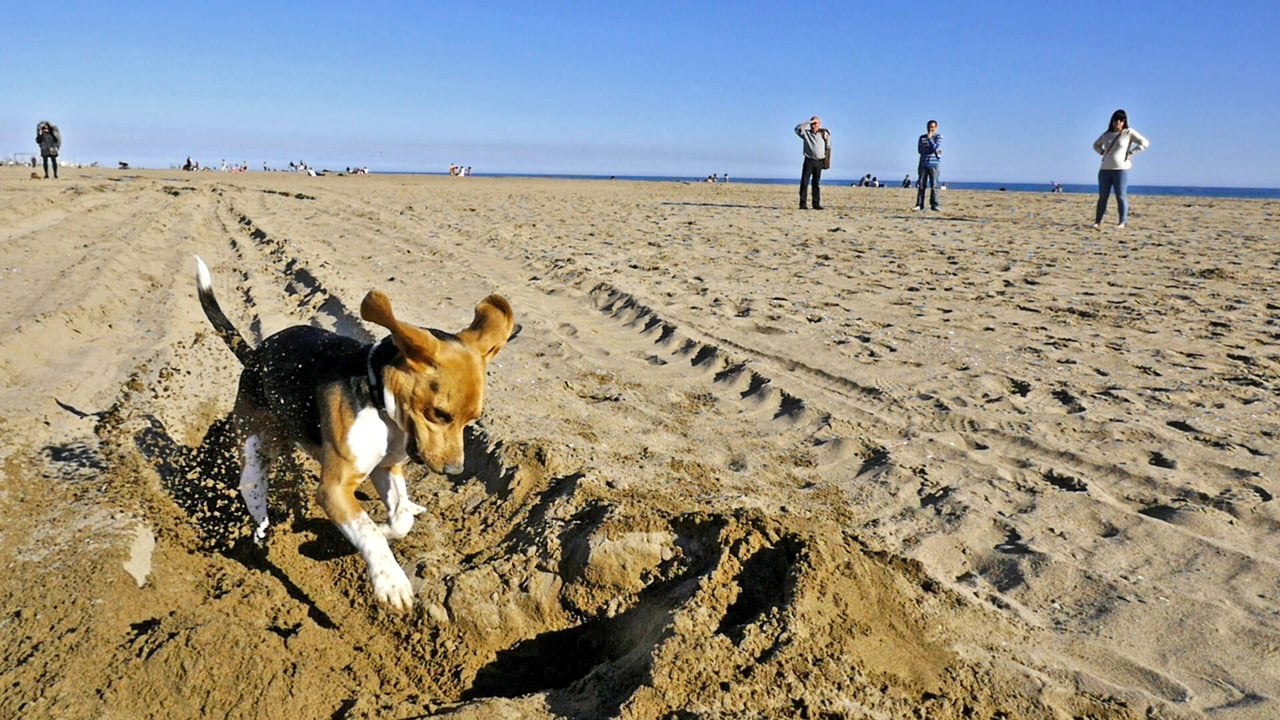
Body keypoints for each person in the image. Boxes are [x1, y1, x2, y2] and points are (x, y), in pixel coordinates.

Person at [1092, 109, 1150, 228]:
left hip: (1120, 169)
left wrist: (1131, 152)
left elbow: (1144, 143)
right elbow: (1096, 145)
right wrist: (1102, 152)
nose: (1117, 122)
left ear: (1124, 121)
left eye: (1120, 120)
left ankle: (1122, 222)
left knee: (1120, 196)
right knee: (1103, 197)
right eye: (1115, 120)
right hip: (1105, 169)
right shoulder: (1106, 134)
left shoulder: (1128, 133)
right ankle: (1097, 221)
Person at [794, 116, 829, 209]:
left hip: (819, 161)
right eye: (813, 124)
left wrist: (826, 162)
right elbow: (797, 129)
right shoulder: (806, 133)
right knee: (804, 182)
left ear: (819, 124)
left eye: (815, 123)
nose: (814, 125)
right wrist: (809, 122)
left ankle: (816, 204)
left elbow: (828, 146)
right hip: (809, 160)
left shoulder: (824, 133)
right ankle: (803, 204)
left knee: (816, 183)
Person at [914, 119, 942, 211]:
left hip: (934, 164)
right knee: (921, 185)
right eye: (929, 127)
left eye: (933, 127)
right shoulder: (922, 137)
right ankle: (919, 204)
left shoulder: (938, 137)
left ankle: (935, 204)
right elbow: (920, 150)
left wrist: (930, 140)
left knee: (934, 185)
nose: (931, 129)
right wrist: (932, 150)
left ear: (936, 127)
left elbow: (936, 147)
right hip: (923, 163)